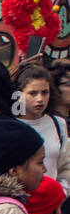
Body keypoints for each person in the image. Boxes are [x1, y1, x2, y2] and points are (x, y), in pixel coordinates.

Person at [13, 64, 70, 194]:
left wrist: (62, 192)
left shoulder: (58, 124)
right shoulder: (10, 125)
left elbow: (66, 165)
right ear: (19, 94)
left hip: (52, 201)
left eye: (45, 93)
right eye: (33, 93)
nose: (40, 99)